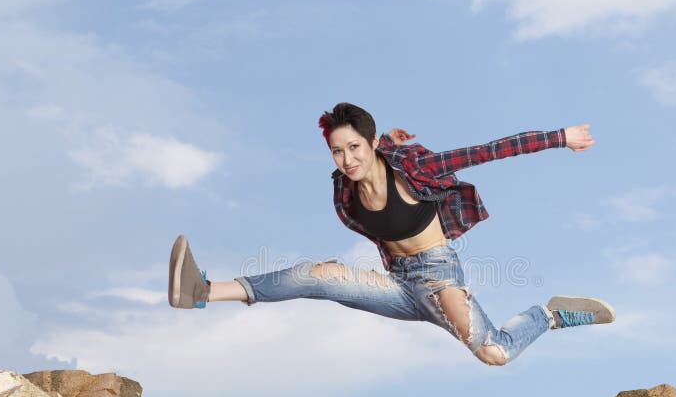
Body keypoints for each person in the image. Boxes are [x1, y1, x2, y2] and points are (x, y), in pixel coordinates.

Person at [168, 102, 615, 366]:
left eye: (355, 147)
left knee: (493, 353)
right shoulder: (345, 190)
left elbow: (489, 150)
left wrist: (561, 136)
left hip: (439, 280)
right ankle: (202, 290)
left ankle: (550, 315)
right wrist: (386, 143)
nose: (346, 160)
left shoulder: (417, 168)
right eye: (337, 151)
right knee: (316, 276)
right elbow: (365, 186)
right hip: (398, 285)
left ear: (372, 142)